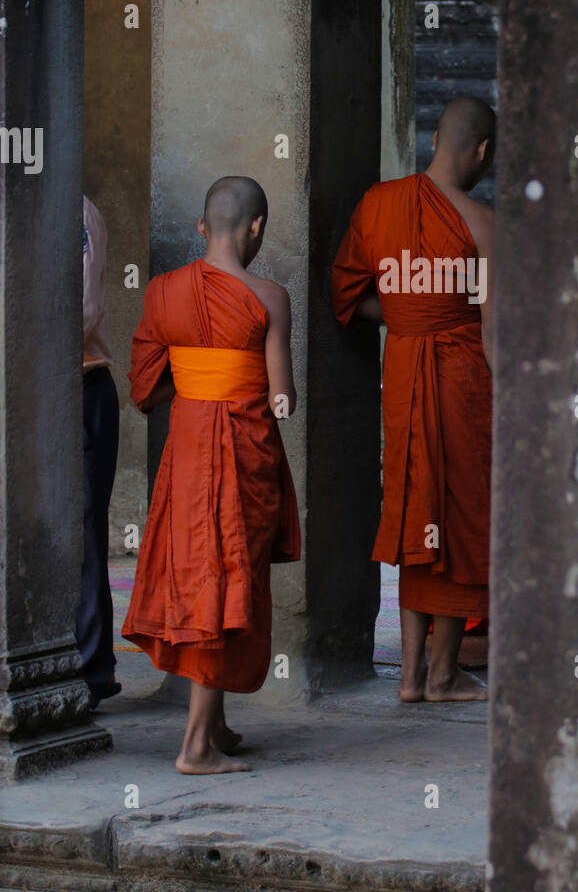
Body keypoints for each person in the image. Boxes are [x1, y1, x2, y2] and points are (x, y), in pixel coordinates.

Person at [122, 177, 301, 774]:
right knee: (225, 579)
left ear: (202, 228)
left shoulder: (163, 293)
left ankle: (216, 724)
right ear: (257, 229)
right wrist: (243, 384)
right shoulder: (271, 297)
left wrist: (199, 383)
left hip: (189, 448)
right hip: (246, 452)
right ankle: (195, 745)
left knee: (202, 570)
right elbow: (284, 398)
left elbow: (146, 385)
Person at [332, 96, 495, 703]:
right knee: (459, 517)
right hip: (465, 382)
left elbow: (346, 295)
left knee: (411, 506)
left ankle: (408, 676)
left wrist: (406, 317)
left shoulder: (379, 205)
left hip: (403, 370)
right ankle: (444, 673)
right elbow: (496, 330)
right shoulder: (483, 225)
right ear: (482, 152)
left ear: (434, 139)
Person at [78, 195, 121, 709]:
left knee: (83, 530)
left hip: (76, 384)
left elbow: (81, 310)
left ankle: (89, 669)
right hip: (28, 387)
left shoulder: (73, 209)